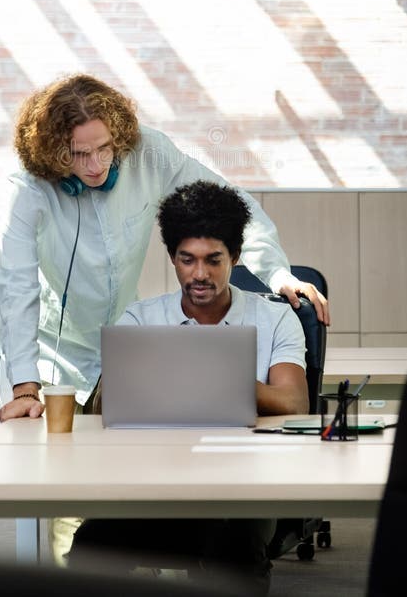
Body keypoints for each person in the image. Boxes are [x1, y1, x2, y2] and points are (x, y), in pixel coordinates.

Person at [0, 73, 328, 563]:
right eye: (78, 155)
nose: (95, 166)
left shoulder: (148, 153)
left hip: (125, 341)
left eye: (104, 149)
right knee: (74, 505)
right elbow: (15, 285)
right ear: (53, 153)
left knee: (142, 484)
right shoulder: (29, 186)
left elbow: (233, 204)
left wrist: (277, 274)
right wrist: (25, 386)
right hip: (57, 357)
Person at [66, 179, 310, 594]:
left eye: (214, 260)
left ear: (235, 257)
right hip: (154, 480)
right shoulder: (141, 319)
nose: (200, 274)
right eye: (187, 260)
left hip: (244, 484)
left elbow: (293, 401)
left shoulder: (274, 318)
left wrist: (212, 374)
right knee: (92, 544)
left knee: (233, 546)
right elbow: (107, 406)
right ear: (173, 259)